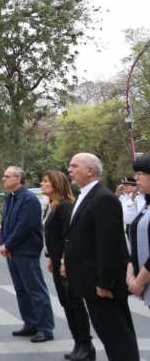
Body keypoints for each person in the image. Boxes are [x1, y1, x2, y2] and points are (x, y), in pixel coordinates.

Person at [62, 153, 139, 361]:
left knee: (117, 336)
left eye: (74, 165)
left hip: (102, 283)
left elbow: (110, 244)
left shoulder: (103, 197)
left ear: (90, 170)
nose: (69, 169)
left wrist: (105, 281)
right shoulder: (84, 195)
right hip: (88, 280)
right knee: (108, 335)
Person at [40, 170, 93, 360]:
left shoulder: (65, 206)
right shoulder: (52, 206)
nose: (42, 184)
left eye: (45, 181)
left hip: (68, 262)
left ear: (56, 184)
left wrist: (63, 260)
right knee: (66, 302)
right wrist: (50, 256)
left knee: (75, 303)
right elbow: (53, 236)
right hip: (56, 260)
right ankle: (77, 342)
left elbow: (69, 237)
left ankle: (86, 345)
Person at [0, 166, 54, 343]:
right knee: (21, 289)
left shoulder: (28, 198)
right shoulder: (10, 198)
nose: (3, 179)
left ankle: (45, 328)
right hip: (12, 251)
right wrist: (3, 243)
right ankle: (30, 323)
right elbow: (4, 224)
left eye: (7, 176)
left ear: (18, 179)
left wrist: (8, 244)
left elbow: (25, 226)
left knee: (35, 290)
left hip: (26, 250)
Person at [127, 155, 150, 309]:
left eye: (141, 173)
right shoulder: (146, 205)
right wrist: (130, 277)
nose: (136, 178)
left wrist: (139, 282)